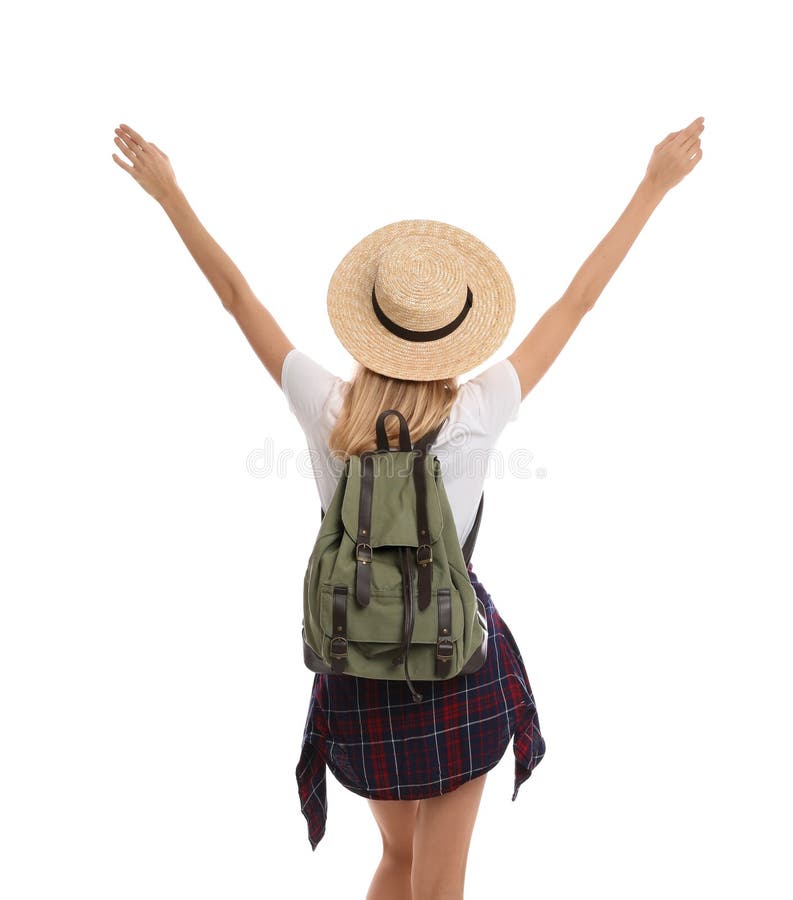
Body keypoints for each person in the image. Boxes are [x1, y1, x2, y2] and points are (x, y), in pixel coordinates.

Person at [112, 115, 705, 898]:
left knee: (396, 859)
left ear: (370, 325)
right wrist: (653, 185)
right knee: (441, 882)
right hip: (454, 664)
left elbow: (235, 297)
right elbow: (576, 302)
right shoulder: (479, 408)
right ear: (457, 333)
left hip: (358, 668)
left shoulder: (328, 407)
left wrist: (170, 197)